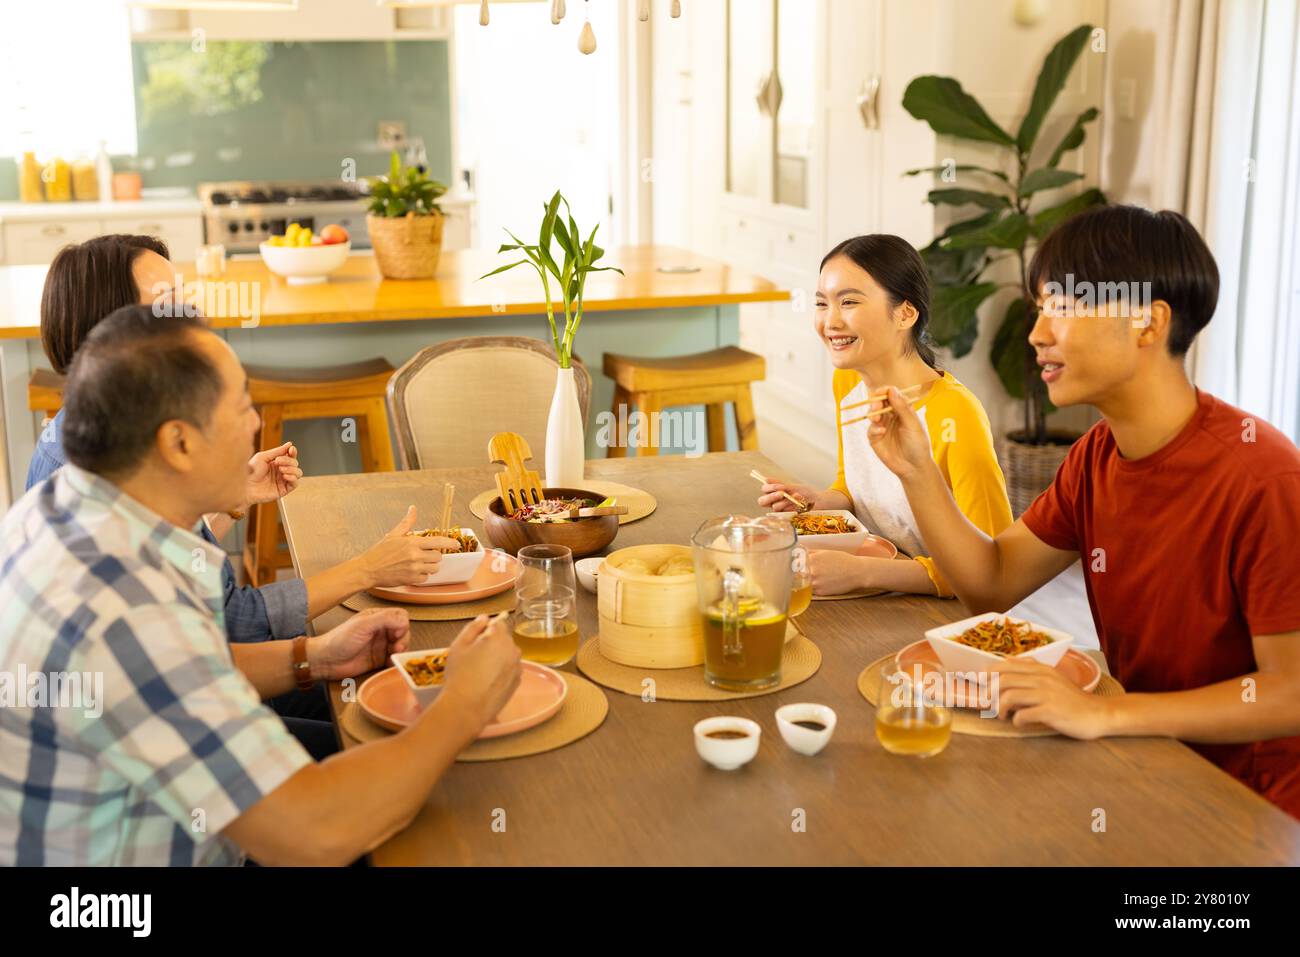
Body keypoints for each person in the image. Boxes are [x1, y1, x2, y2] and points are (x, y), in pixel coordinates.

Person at [0, 305, 523, 865]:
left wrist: (311, 657)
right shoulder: (125, 610)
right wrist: (464, 705)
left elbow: (181, 669)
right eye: (243, 406)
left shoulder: (60, 508)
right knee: (446, 801)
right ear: (178, 443)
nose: (256, 423)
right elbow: (316, 831)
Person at [864, 205, 1300, 818]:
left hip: (1251, 809)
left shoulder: (1264, 476)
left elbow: (1291, 693)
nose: (1037, 333)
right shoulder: (1098, 455)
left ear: (1147, 324)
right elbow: (992, 583)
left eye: (1062, 308)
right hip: (1142, 758)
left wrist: (1105, 711)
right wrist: (917, 471)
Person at [28, 235, 449, 647]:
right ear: (112, 332)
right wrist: (368, 570)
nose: (189, 316)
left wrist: (233, 500)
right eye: (166, 304)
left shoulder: (86, 430)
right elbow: (235, 621)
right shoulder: (111, 474)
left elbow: (173, 581)